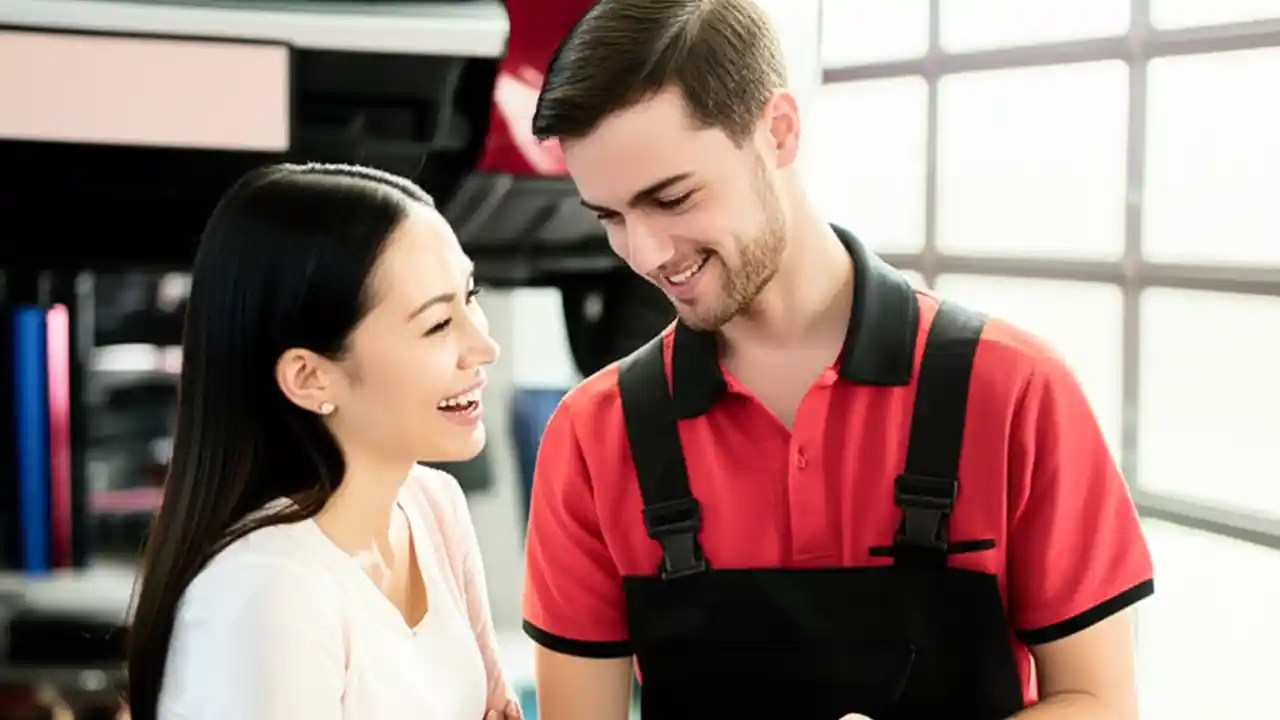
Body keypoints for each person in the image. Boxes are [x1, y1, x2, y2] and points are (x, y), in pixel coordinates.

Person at [520, 1, 1154, 719]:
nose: (645, 253)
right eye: (609, 217)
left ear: (779, 131)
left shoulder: (1014, 391)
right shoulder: (591, 437)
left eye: (672, 197)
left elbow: (1100, 702)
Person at [125, 163, 522, 720]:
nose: (483, 347)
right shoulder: (267, 592)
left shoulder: (433, 506)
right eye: (437, 325)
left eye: (470, 295)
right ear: (310, 378)